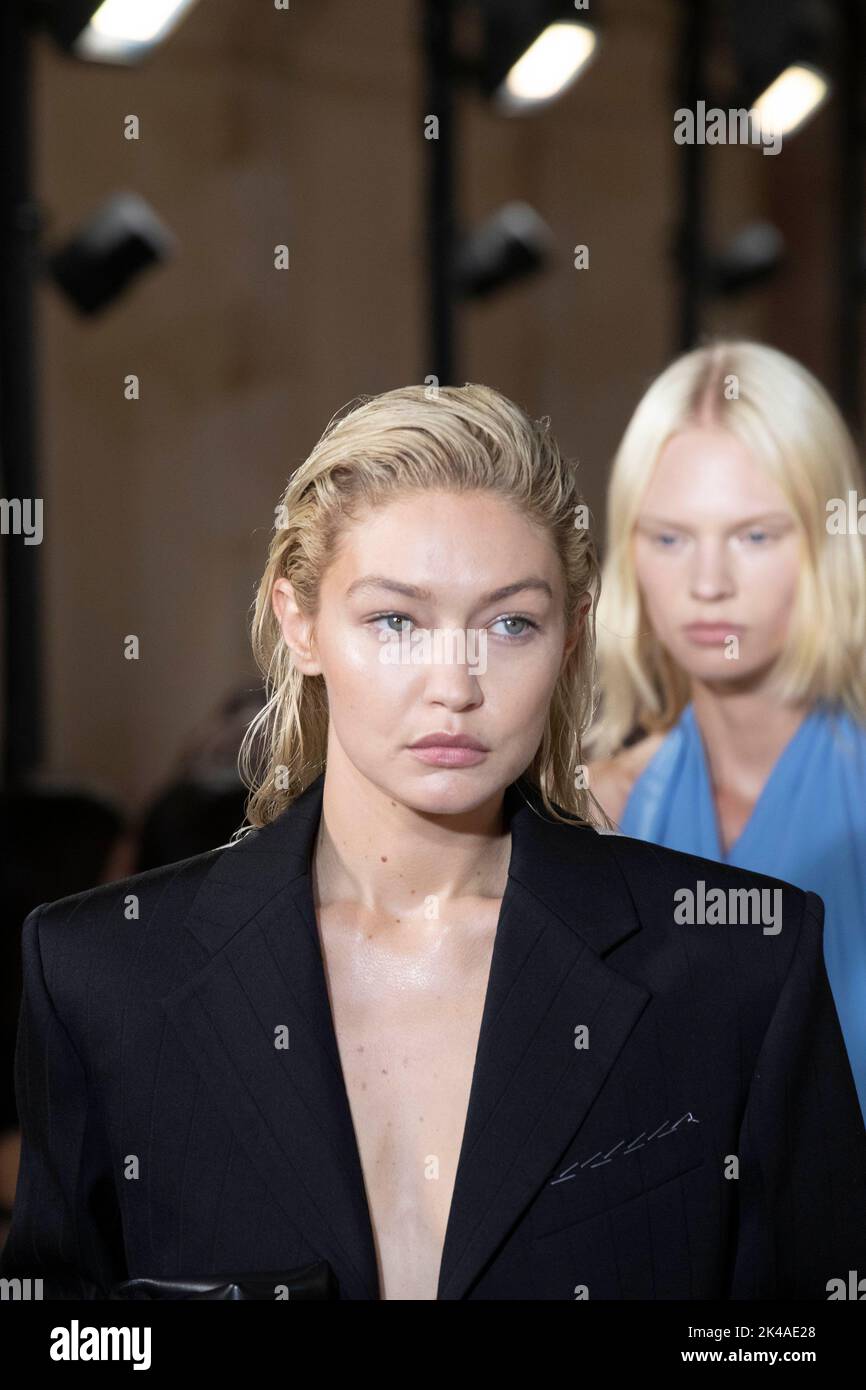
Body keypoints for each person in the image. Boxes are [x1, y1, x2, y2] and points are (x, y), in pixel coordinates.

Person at [2, 382, 866, 1301]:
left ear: (570, 638)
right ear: (300, 624)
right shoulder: (105, 974)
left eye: (509, 624)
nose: (454, 684)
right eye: (395, 620)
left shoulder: (739, 962)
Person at [585, 340, 866, 1124]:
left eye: (754, 536)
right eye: (670, 538)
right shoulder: (599, 809)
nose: (708, 584)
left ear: (827, 539)